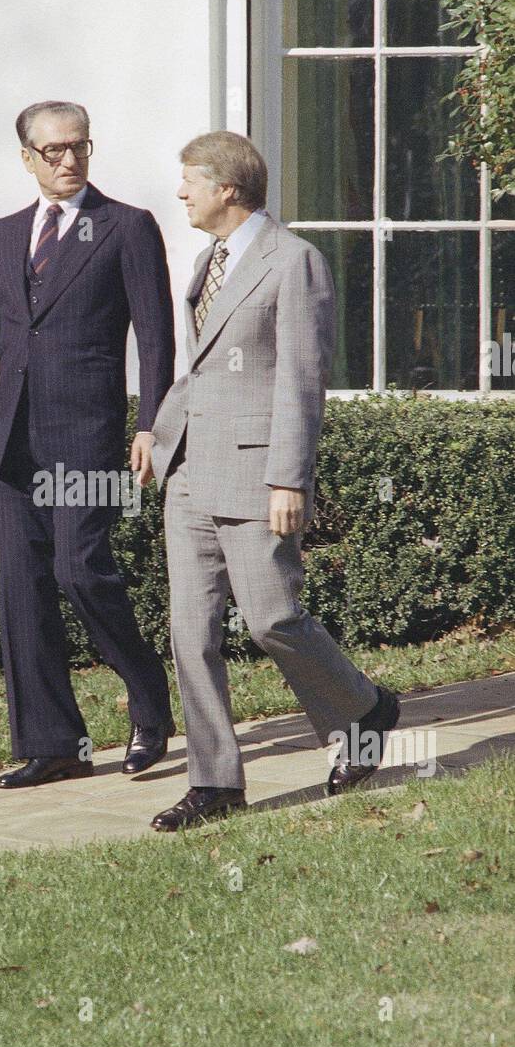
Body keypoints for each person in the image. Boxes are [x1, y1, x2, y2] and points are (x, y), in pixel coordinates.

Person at [0, 101, 176, 787]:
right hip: (13, 442)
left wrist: (152, 424)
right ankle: (52, 744)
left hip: (86, 437)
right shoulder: (5, 234)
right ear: (27, 158)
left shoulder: (127, 228)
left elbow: (158, 336)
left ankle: (151, 704)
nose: (68, 159)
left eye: (78, 145)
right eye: (52, 150)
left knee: (83, 573)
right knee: (22, 594)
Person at [146, 131, 400, 831]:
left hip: (257, 475)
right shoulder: (206, 261)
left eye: (189, 180)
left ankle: (363, 710)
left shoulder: (294, 263)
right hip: (189, 471)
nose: (181, 193)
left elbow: (301, 379)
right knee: (189, 631)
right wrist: (156, 431)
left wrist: (288, 479)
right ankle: (215, 783)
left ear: (226, 187)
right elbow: (198, 367)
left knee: (271, 619)